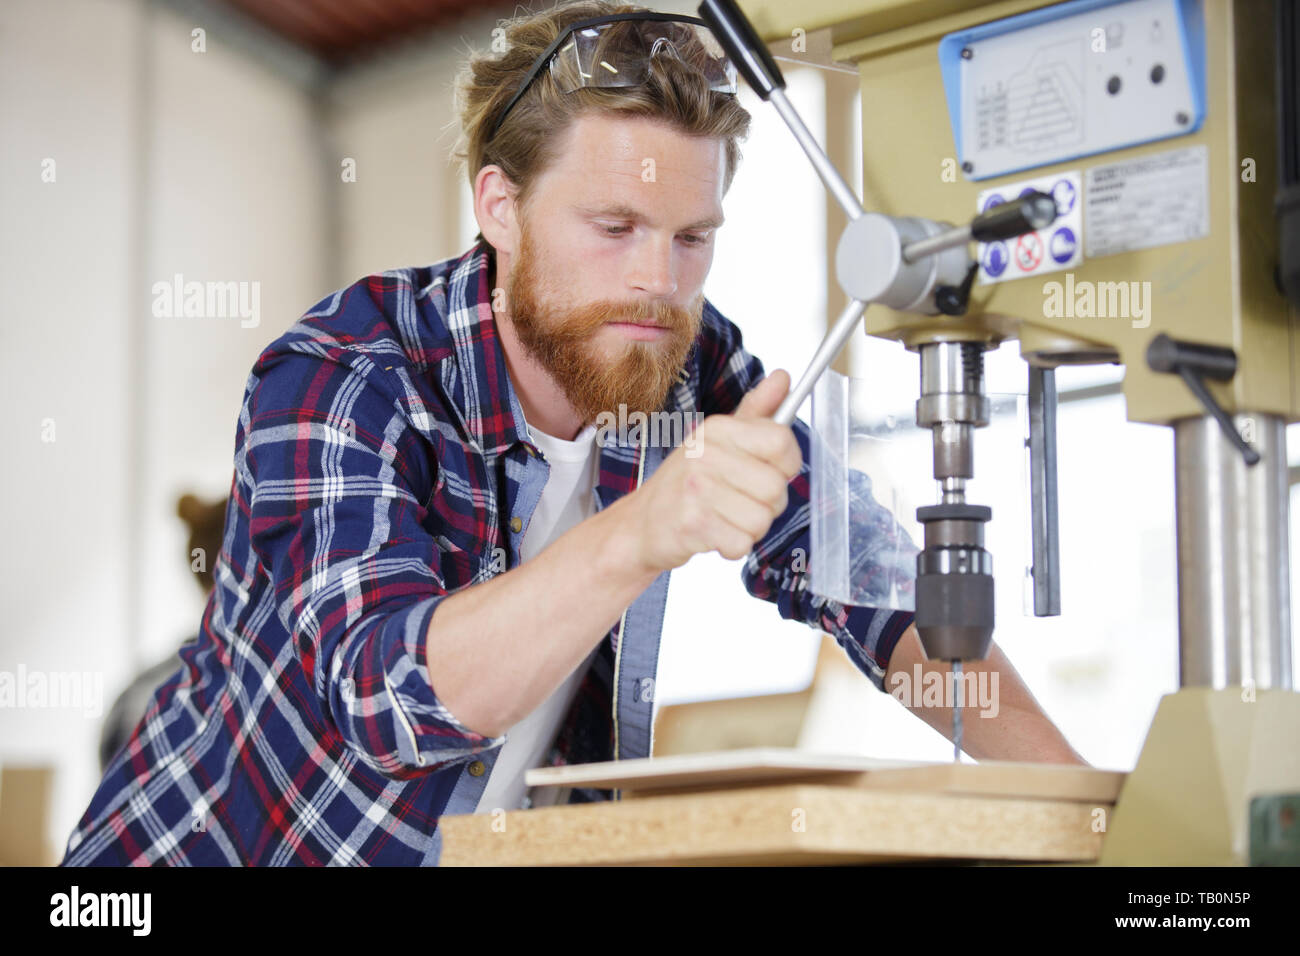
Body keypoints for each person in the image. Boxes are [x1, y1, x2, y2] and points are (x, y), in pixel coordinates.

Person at [61, 1, 1084, 868]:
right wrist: (647, 526)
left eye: (692, 239)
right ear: (498, 205)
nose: (657, 279)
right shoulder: (340, 372)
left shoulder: (682, 358)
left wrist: (1084, 805)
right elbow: (390, 701)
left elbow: (870, 584)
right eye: (614, 229)